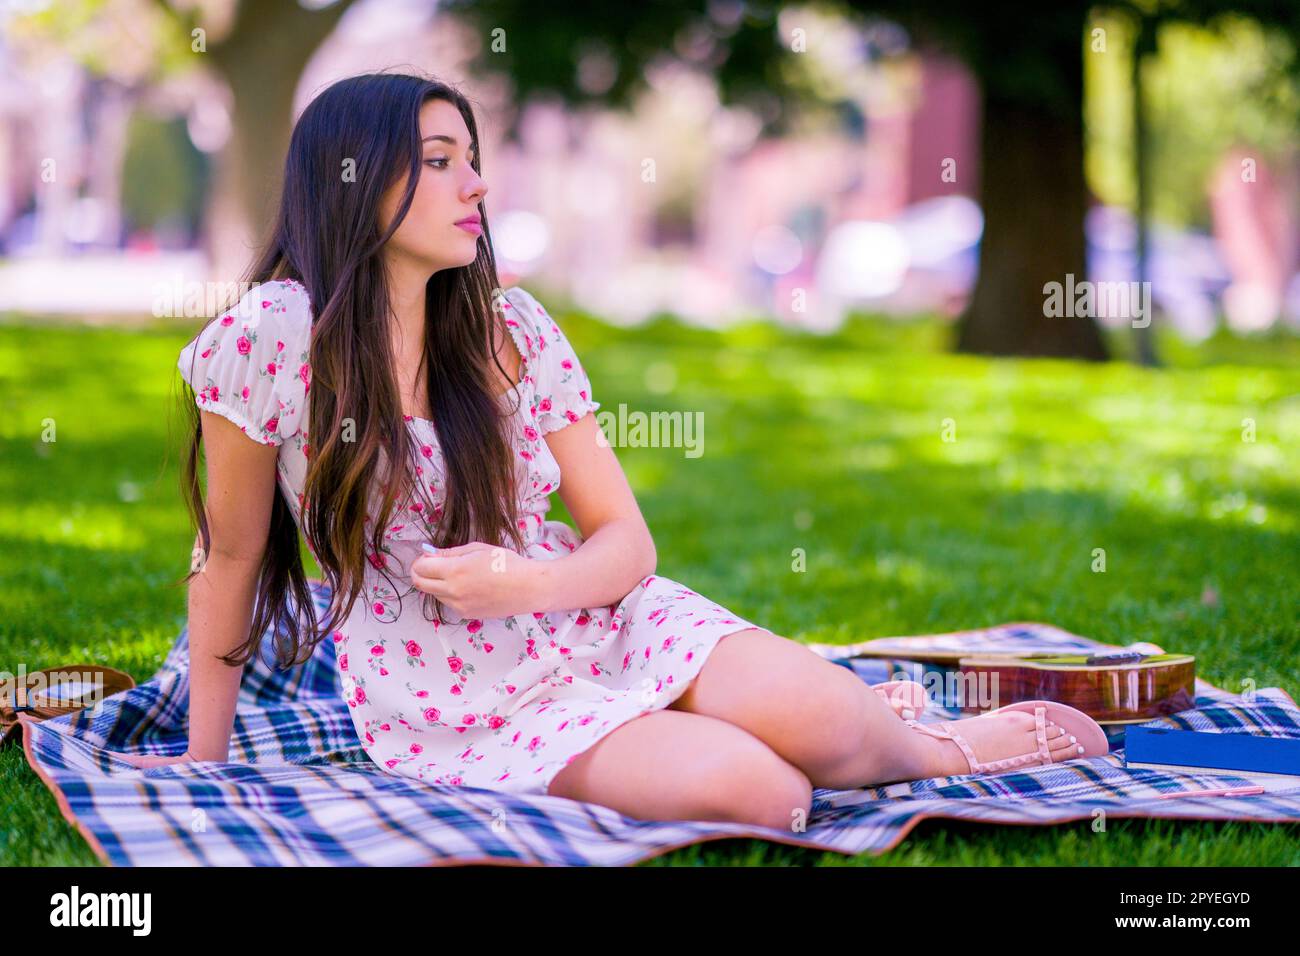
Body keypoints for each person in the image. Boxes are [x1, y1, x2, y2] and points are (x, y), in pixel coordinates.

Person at [116, 71, 1108, 830]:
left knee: (835, 726)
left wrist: (525, 583)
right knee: (764, 793)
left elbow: (626, 543)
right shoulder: (271, 340)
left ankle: (935, 748)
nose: (479, 183)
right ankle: (798, 740)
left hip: (601, 614)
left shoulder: (511, 328)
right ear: (354, 179)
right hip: (457, 697)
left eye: (473, 156)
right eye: (442, 159)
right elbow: (233, 555)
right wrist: (206, 763)